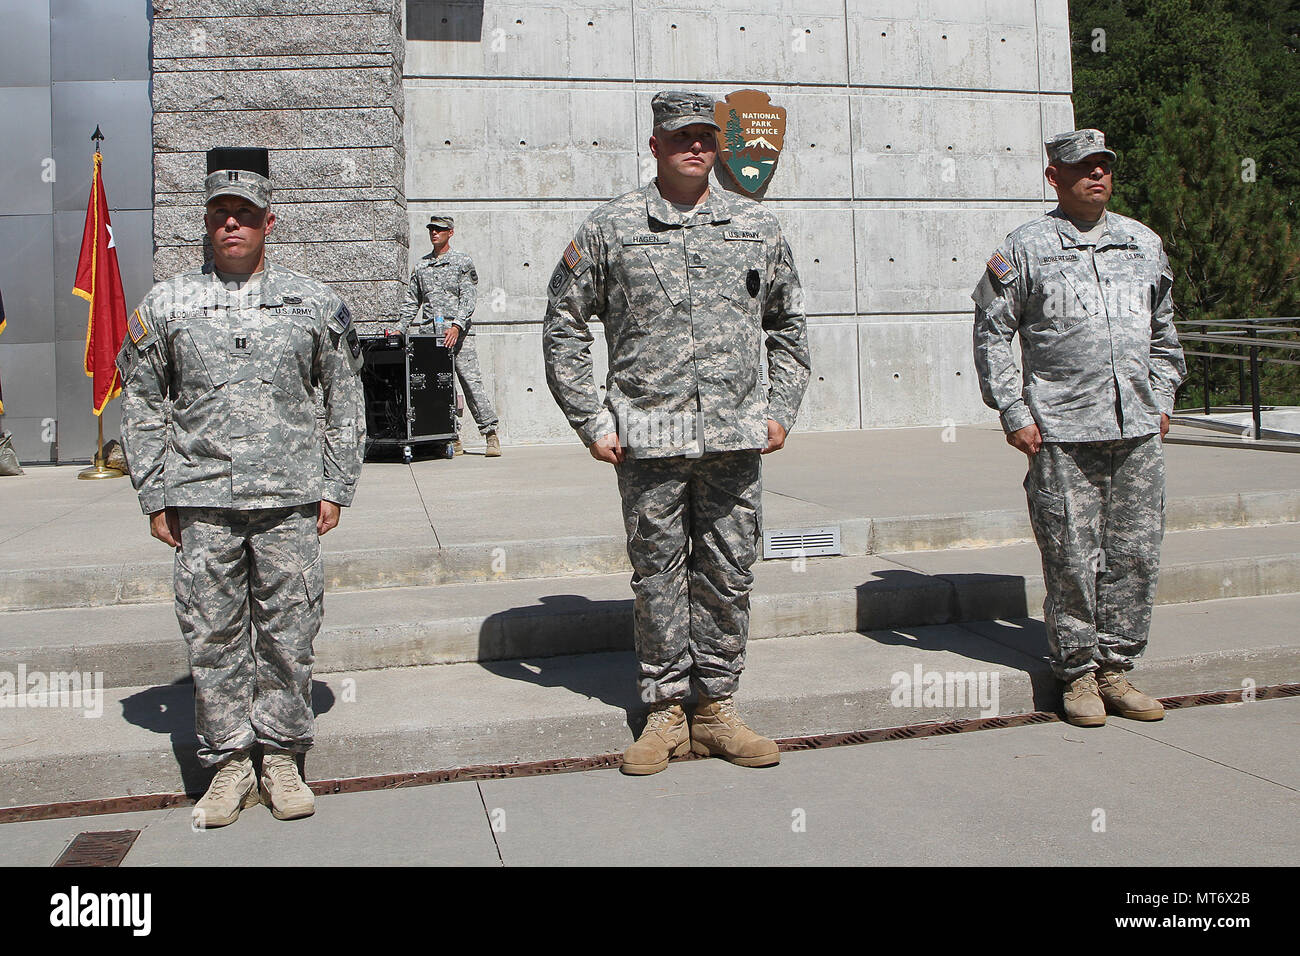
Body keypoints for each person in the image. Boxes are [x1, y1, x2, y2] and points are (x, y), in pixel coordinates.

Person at [542, 91, 811, 774]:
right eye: (681, 135)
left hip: (733, 439)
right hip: (649, 438)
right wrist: (591, 420)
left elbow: (788, 324)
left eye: (706, 136)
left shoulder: (756, 225)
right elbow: (564, 327)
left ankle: (716, 709)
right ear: (655, 144)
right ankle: (664, 711)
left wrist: (781, 408)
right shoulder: (612, 227)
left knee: (728, 570)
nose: (695, 146)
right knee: (657, 577)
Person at [116, 147, 366, 826]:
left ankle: (281, 756)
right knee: (212, 634)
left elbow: (344, 397)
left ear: (268, 223)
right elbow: (142, 401)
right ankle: (228, 762)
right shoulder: (168, 304)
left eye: (245, 214)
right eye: (221, 213)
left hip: (288, 500)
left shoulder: (313, 303)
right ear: (206, 223)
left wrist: (336, 483)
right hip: (202, 500)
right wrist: (155, 492)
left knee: (290, 631)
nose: (232, 224)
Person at [972, 128, 1187, 727]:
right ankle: (1077, 674)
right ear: (1054, 178)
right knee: (1070, 556)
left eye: (1104, 166)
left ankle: (1116, 668)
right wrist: (1013, 411)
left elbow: (1165, 333)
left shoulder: (1142, 243)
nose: (1097, 175)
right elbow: (991, 334)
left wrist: (1162, 397)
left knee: (1135, 555)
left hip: (1136, 429)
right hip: (1061, 431)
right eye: (1083, 167)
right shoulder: (1025, 248)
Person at [399, 215, 501, 456]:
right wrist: (400, 328)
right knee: (438, 388)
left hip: (458, 336)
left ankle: (490, 434)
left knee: (471, 385)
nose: (434, 233)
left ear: (450, 232)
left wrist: (457, 326)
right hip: (430, 337)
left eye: (440, 229)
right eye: (432, 229)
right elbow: (412, 301)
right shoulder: (422, 266)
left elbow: (468, 298)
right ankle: (451, 436)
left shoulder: (461, 262)